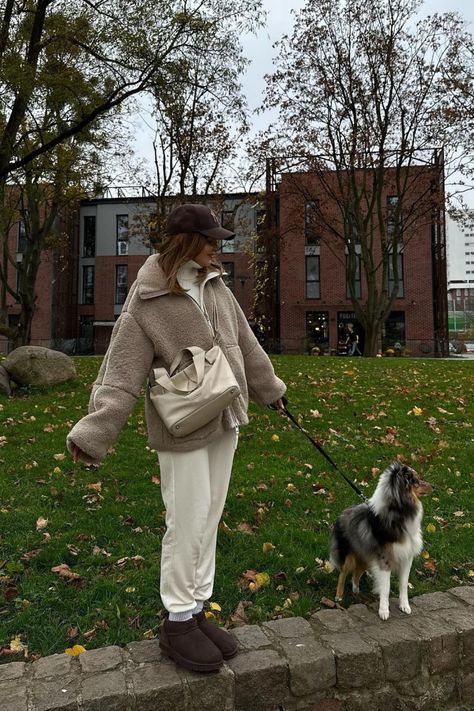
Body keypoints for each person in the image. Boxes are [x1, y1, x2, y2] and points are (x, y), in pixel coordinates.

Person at [66, 203, 286, 673]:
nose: (217, 247)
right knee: (184, 519)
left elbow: (245, 343)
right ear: (186, 241)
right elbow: (120, 372)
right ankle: (177, 621)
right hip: (182, 424)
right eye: (210, 240)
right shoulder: (148, 297)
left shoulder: (215, 286)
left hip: (226, 415)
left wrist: (271, 391)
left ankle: (197, 607)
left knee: (209, 515)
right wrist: (96, 429)